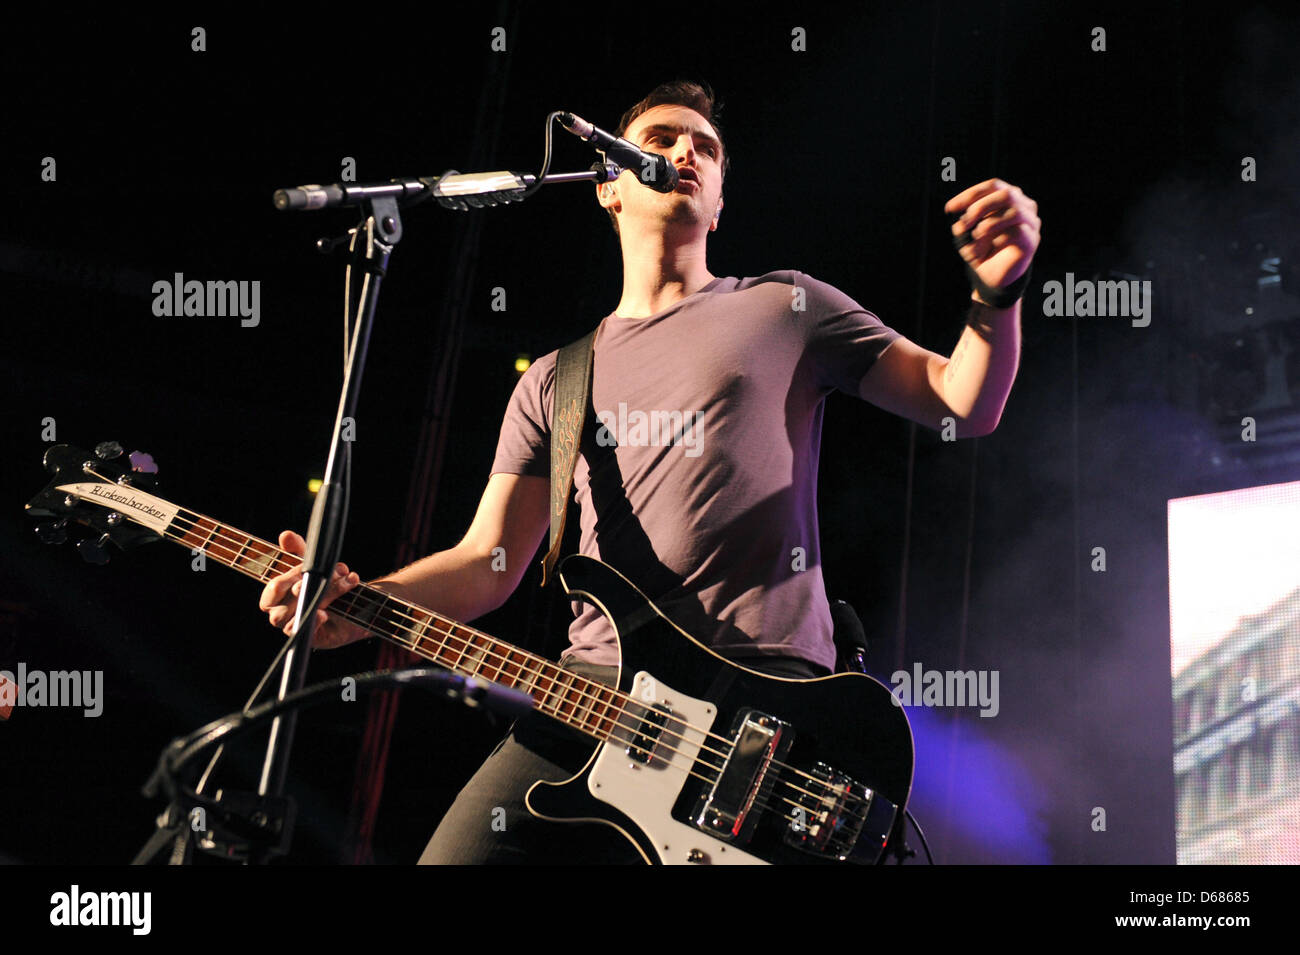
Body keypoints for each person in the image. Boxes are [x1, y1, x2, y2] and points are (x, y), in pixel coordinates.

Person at [258, 80, 1040, 863]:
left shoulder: (785, 306)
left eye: (706, 147)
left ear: (722, 201)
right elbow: (487, 562)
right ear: (608, 183)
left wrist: (995, 291)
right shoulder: (554, 382)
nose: (684, 153)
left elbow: (961, 401)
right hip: (592, 699)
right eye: (662, 138)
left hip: (761, 711)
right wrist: (360, 608)